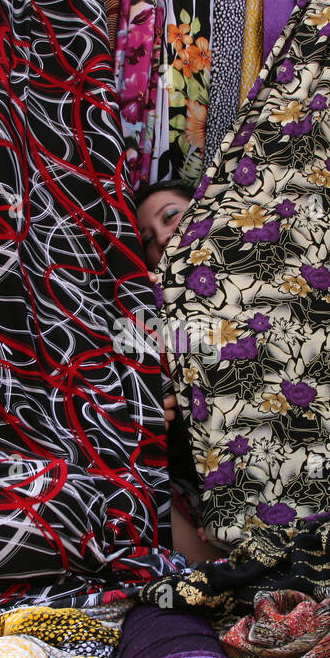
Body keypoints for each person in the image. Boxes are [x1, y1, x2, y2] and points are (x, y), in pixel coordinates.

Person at [133, 179, 224, 564]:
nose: (163, 240)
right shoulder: (149, 319)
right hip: (203, 499)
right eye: (148, 241)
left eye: (172, 217)